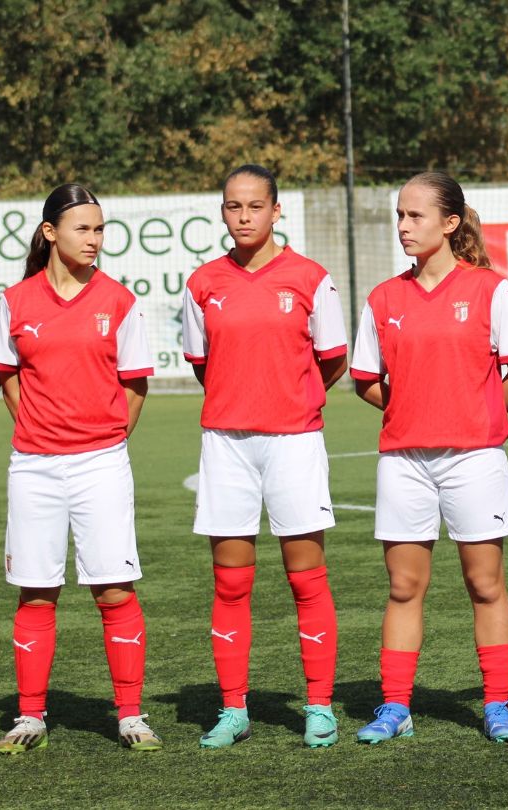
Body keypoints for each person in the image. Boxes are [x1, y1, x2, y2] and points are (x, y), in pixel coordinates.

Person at [350, 172, 508, 744]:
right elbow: (364, 381)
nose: (403, 227)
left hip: (474, 460)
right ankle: (395, 706)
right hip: (404, 461)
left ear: (451, 224)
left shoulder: (491, 290)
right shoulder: (383, 297)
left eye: (415, 216)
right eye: (399, 216)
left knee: (485, 583)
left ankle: (497, 703)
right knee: (404, 587)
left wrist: (473, 416)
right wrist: (414, 410)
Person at [0, 183, 159, 753]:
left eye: (101, 228)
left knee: (114, 589)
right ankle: (31, 716)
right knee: (36, 592)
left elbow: (134, 386)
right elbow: (6, 377)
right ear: (50, 232)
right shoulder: (15, 301)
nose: (95, 239)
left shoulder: (119, 300)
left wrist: (103, 439)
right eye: (83, 228)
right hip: (33, 465)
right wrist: (38, 431)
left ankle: (130, 714)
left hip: (101, 464)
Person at [181, 164, 349, 749]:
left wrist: (290, 399)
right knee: (230, 584)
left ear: (277, 211)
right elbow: (202, 364)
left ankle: (320, 705)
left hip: (294, 442)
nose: (244, 216)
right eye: (233, 206)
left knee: (307, 580)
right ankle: (233, 710)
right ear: (223, 212)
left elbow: (331, 359)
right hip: (225, 444)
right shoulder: (202, 283)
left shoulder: (310, 278)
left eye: (256, 206)